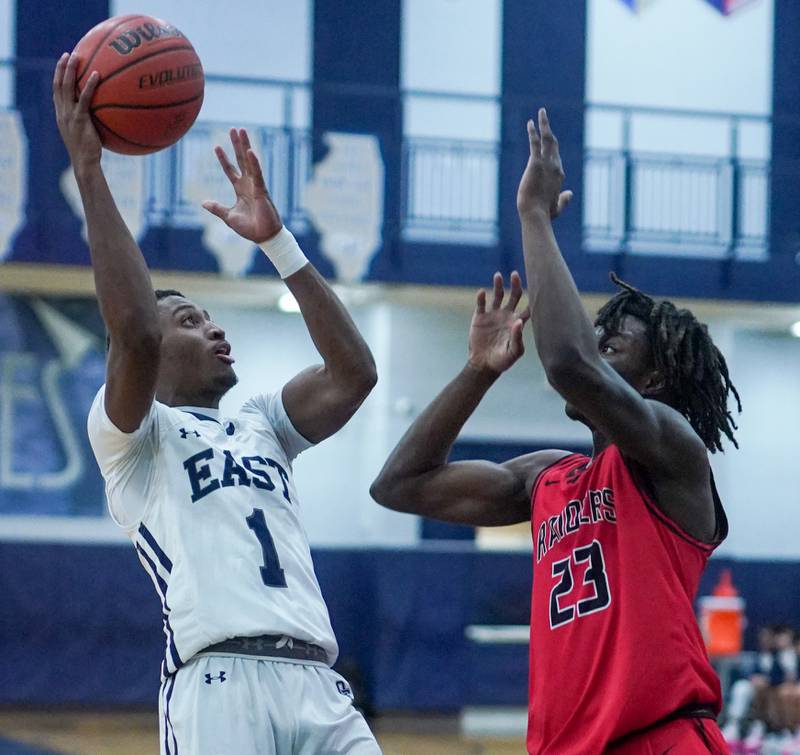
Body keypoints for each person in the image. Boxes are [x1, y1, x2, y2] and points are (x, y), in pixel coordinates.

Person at [370, 109, 740, 754]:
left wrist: (534, 216)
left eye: (614, 344)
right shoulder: (550, 478)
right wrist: (476, 372)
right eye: (597, 337)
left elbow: (569, 361)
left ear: (651, 382)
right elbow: (400, 486)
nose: (596, 346)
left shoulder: (673, 452)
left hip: (660, 739)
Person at [53, 52, 381, 755]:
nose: (216, 328)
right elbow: (135, 331)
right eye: (192, 322)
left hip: (319, 682)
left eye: (210, 317)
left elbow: (355, 374)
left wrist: (279, 243)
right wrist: (90, 172)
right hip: (219, 680)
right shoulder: (134, 440)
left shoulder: (261, 419)